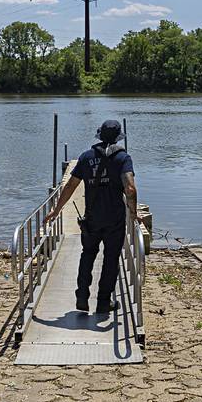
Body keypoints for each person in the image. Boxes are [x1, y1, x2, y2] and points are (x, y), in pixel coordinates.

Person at [53, 119, 136, 316]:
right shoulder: (123, 158)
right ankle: (103, 303)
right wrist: (133, 213)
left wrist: (56, 211)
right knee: (110, 259)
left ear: (99, 135)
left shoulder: (86, 157)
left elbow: (71, 185)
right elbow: (130, 188)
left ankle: (82, 297)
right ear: (118, 137)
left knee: (87, 254)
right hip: (114, 219)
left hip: (91, 218)